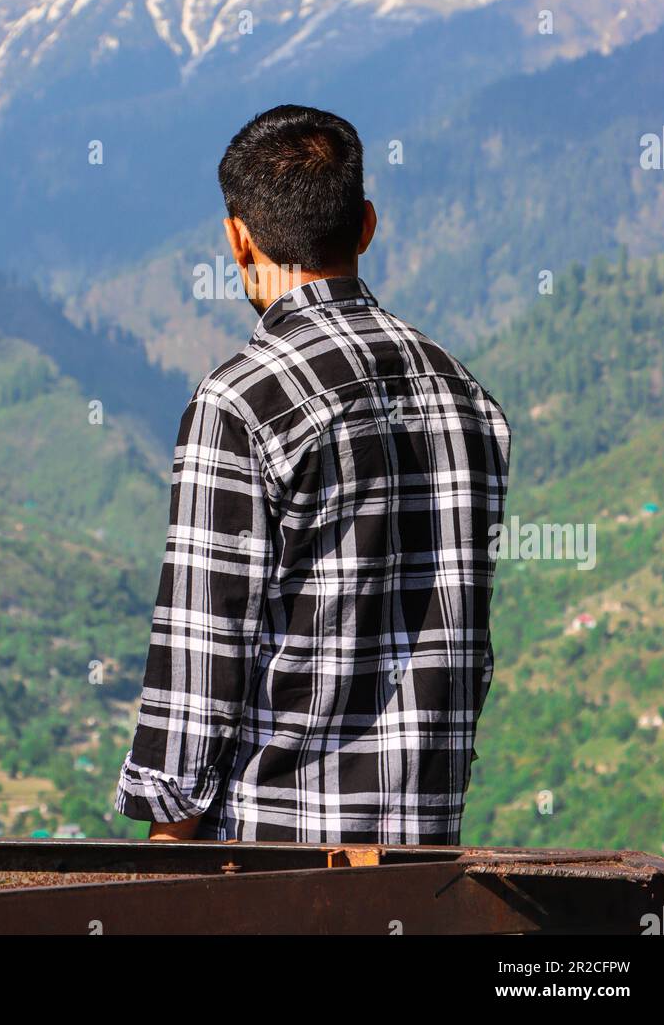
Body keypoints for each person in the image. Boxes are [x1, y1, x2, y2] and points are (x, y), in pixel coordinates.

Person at [116, 104, 510, 844]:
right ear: (365, 225)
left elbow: (200, 667)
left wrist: (165, 854)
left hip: (272, 868)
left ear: (238, 238)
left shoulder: (240, 403)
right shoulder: (468, 401)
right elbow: (466, 650)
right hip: (425, 864)